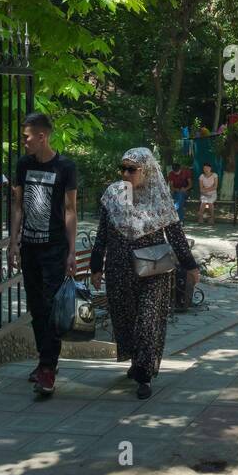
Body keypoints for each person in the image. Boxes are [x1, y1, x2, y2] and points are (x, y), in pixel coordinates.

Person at [90, 148, 200, 400]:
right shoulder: (113, 196)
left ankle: (145, 374)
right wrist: (96, 268)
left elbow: (175, 236)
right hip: (118, 270)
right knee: (126, 319)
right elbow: (102, 235)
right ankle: (136, 362)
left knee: (148, 320)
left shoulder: (159, 198)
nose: (126, 174)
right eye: (123, 168)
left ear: (146, 170)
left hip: (153, 271)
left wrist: (191, 266)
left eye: (132, 169)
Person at [8, 112, 78, 396]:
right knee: (36, 308)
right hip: (30, 247)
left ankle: (49, 368)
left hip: (54, 248)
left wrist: (72, 251)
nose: (23, 142)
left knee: (51, 308)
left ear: (42, 137)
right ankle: (43, 360)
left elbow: (71, 210)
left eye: (27, 137)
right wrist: (13, 242)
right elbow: (17, 206)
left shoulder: (65, 167)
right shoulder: (23, 164)